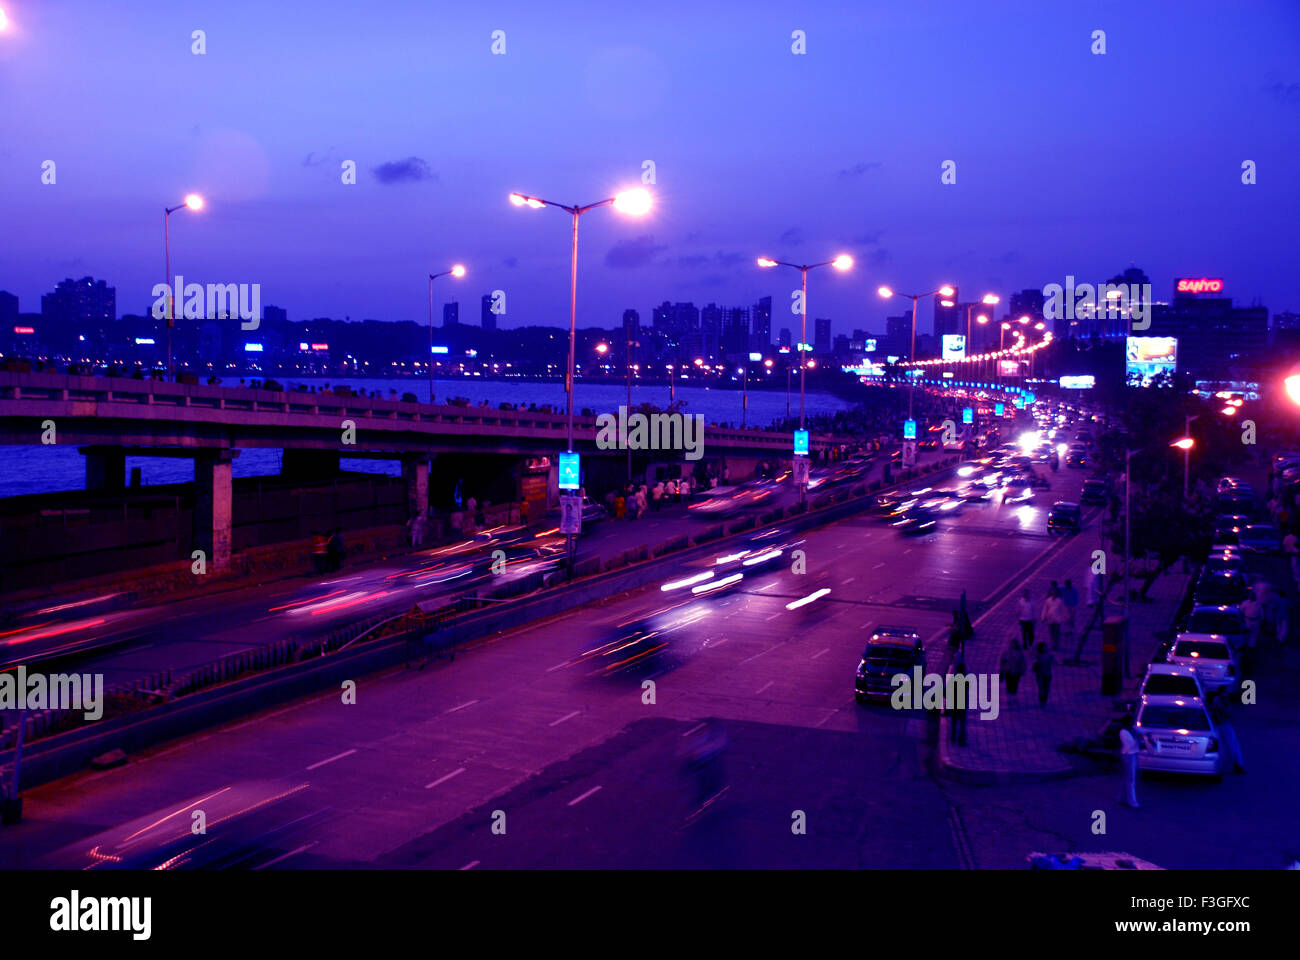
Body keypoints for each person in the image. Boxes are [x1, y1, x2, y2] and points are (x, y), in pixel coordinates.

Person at [1209, 691, 1246, 774]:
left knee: (1231, 745)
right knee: (1227, 746)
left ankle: (1237, 765)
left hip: (1223, 724)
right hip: (1220, 725)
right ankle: (1236, 765)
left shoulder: (1221, 701)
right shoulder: (1218, 701)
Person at [1117, 715, 1140, 808]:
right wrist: (1138, 739)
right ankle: (1131, 801)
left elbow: (1143, 730)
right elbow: (1129, 746)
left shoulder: (1132, 729)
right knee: (1131, 779)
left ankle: (1122, 798)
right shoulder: (1123, 732)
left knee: (1126, 778)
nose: (1133, 723)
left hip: (1132, 755)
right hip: (1128, 755)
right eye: (1131, 721)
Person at [1041, 586, 1068, 651]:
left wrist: (1066, 617)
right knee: (1052, 633)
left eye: (1055, 592)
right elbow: (1045, 609)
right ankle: (1053, 644)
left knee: (1057, 633)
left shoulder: (1059, 601)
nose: (1053, 593)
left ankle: (1056, 645)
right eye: (1052, 592)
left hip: (1057, 620)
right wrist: (1043, 617)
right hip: (1050, 619)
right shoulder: (1048, 600)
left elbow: (1063, 609)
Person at [1061, 579, 1080, 645]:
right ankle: (1067, 630)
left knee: (1072, 619)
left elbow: (1076, 598)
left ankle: (1071, 630)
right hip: (1066, 606)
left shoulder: (1074, 590)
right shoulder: (1063, 589)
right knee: (1066, 619)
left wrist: (1075, 605)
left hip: (1072, 606)